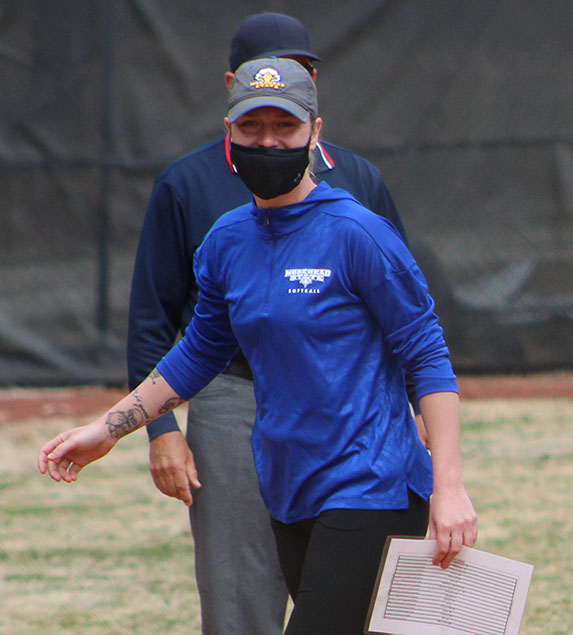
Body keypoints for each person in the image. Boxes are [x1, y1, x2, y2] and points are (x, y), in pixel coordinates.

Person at [41, 57, 478, 634]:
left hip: (372, 485)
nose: (266, 143)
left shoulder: (359, 234)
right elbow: (199, 352)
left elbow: (427, 354)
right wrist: (110, 429)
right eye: (251, 128)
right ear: (229, 135)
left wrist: (449, 488)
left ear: (315, 134)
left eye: (285, 128)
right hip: (288, 486)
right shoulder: (227, 240)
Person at [125, 13, 414, 634]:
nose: (287, 83)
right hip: (233, 395)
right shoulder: (191, 186)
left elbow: (411, 326)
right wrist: (156, 431)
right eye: (254, 110)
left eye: (303, 71)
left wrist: (418, 426)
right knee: (240, 589)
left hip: (344, 404)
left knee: (354, 599)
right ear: (233, 88)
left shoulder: (355, 186)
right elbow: (164, 326)